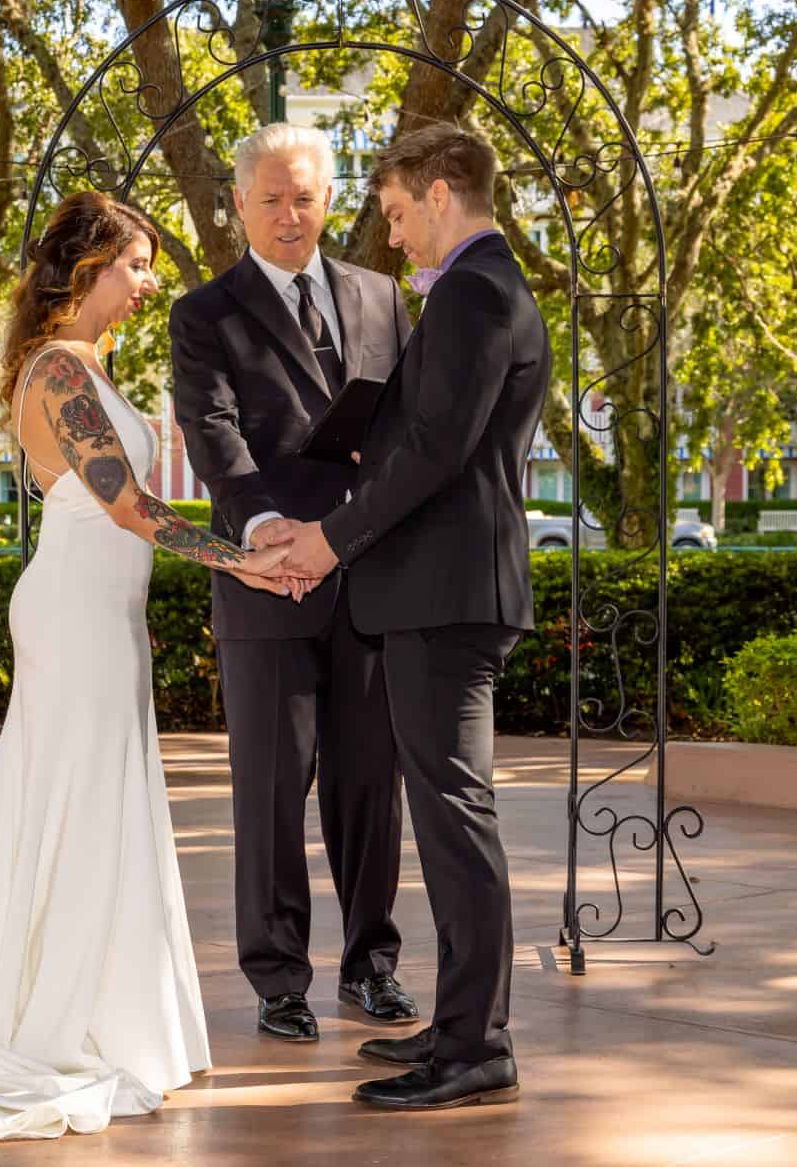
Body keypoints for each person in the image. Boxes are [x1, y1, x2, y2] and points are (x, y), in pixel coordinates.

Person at [0, 191, 292, 1144]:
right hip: (73, 613)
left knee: (97, 809)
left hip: (103, 615)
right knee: (70, 809)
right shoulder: (55, 370)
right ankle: (46, 1022)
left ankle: (97, 1013)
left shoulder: (85, 365)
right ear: (87, 267)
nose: (148, 282)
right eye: (135, 264)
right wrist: (240, 559)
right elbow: (123, 501)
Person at [278, 122, 552, 1111]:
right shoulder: (484, 289)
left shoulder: (475, 291)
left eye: (396, 213)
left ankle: (477, 1047)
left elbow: (438, 448)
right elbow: (437, 437)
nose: (391, 237)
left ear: (441, 193)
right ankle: (464, 1023)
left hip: (446, 594)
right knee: (448, 816)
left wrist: (331, 538)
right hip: (445, 589)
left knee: (454, 817)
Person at [170, 123, 418, 1044]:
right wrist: (264, 528)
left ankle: (372, 967)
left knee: (370, 790)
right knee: (270, 792)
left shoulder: (383, 296)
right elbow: (212, 431)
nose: (288, 215)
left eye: (304, 197)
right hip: (265, 580)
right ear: (238, 203)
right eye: (270, 199)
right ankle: (277, 980)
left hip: (370, 577)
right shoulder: (204, 314)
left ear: (329, 199)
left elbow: (410, 426)